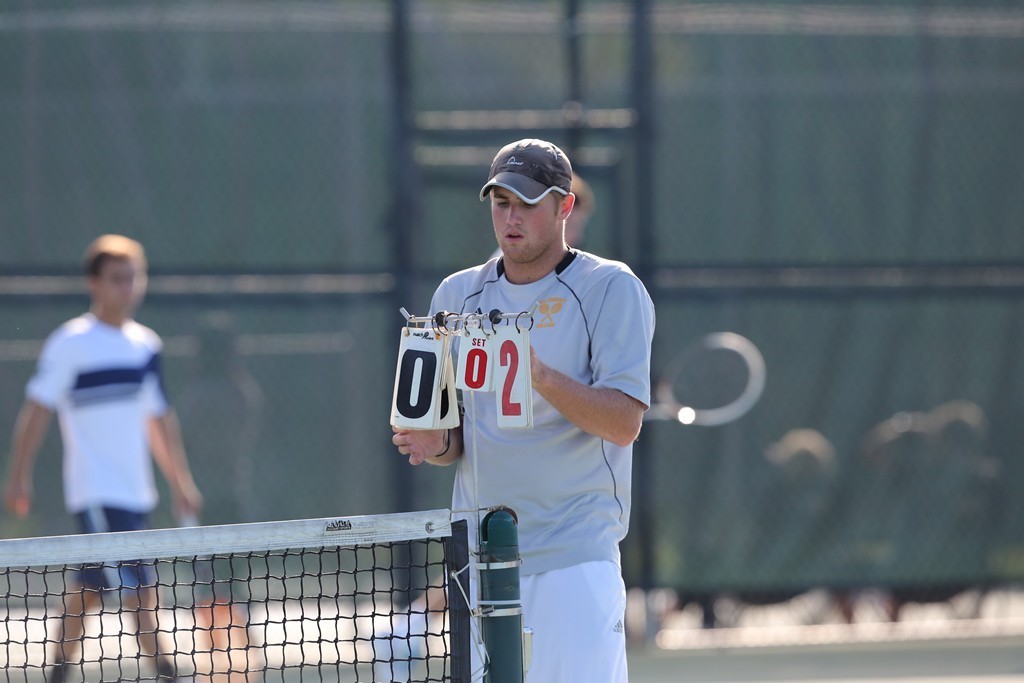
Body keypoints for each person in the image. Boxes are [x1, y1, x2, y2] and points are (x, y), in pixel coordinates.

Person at [391, 139, 655, 682]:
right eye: (501, 203)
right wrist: (435, 443)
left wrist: (540, 375)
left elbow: (624, 423)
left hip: (573, 560)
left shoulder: (610, 288)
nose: (511, 218)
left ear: (564, 207)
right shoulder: (455, 295)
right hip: (481, 563)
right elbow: (455, 439)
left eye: (527, 204)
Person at [4, 234, 203, 682]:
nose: (128, 287)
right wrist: (18, 477)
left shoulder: (146, 345)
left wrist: (180, 483)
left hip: (137, 495)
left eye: (134, 277)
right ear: (94, 283)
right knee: (141, 592)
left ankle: (58, 671)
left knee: (90, 589)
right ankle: (168, 673)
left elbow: (158, 421)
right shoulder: (70, 342)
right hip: (95, 493)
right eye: (117, 278)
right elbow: (37, 410)